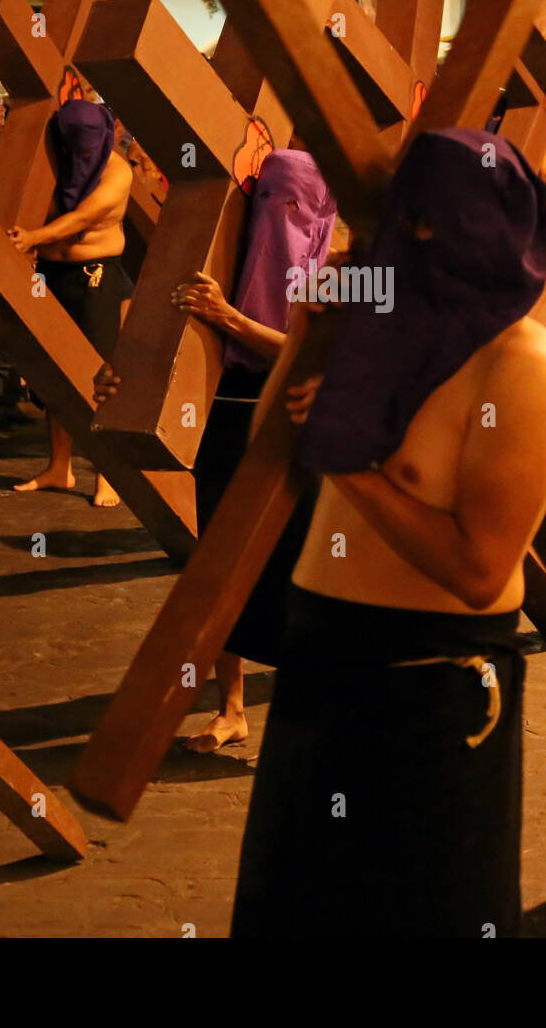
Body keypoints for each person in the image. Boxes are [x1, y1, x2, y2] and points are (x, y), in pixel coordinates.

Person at [230, 128, 546, 938]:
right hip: (318, 658)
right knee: (291, 910)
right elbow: (266, 460)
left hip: (430, 685)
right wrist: (307, 337)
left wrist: (353, 468)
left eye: (400, 226)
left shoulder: (522, 364)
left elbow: (481, 569)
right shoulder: (376, 323)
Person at [169, 148, 337, 751]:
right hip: (227, 416)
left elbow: (311, 352)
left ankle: (307, 708)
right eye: (268, 199)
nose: (278, 215)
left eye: (292, 204)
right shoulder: (231, 253)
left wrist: (230, 320)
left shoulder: (338, 266)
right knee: (223, 557)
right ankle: (231, 708)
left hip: (297, 425)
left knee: (301, 563)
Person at [9, 93, 132, 507]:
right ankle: (59, 468)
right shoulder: (51, 162)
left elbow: (81, 218)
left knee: (100, 379)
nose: (81, 150)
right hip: (51, 275)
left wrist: (32, 237)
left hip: (95, 276)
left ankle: (109, 475)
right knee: (53, 373)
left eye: (88, 141)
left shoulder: (118, 171)